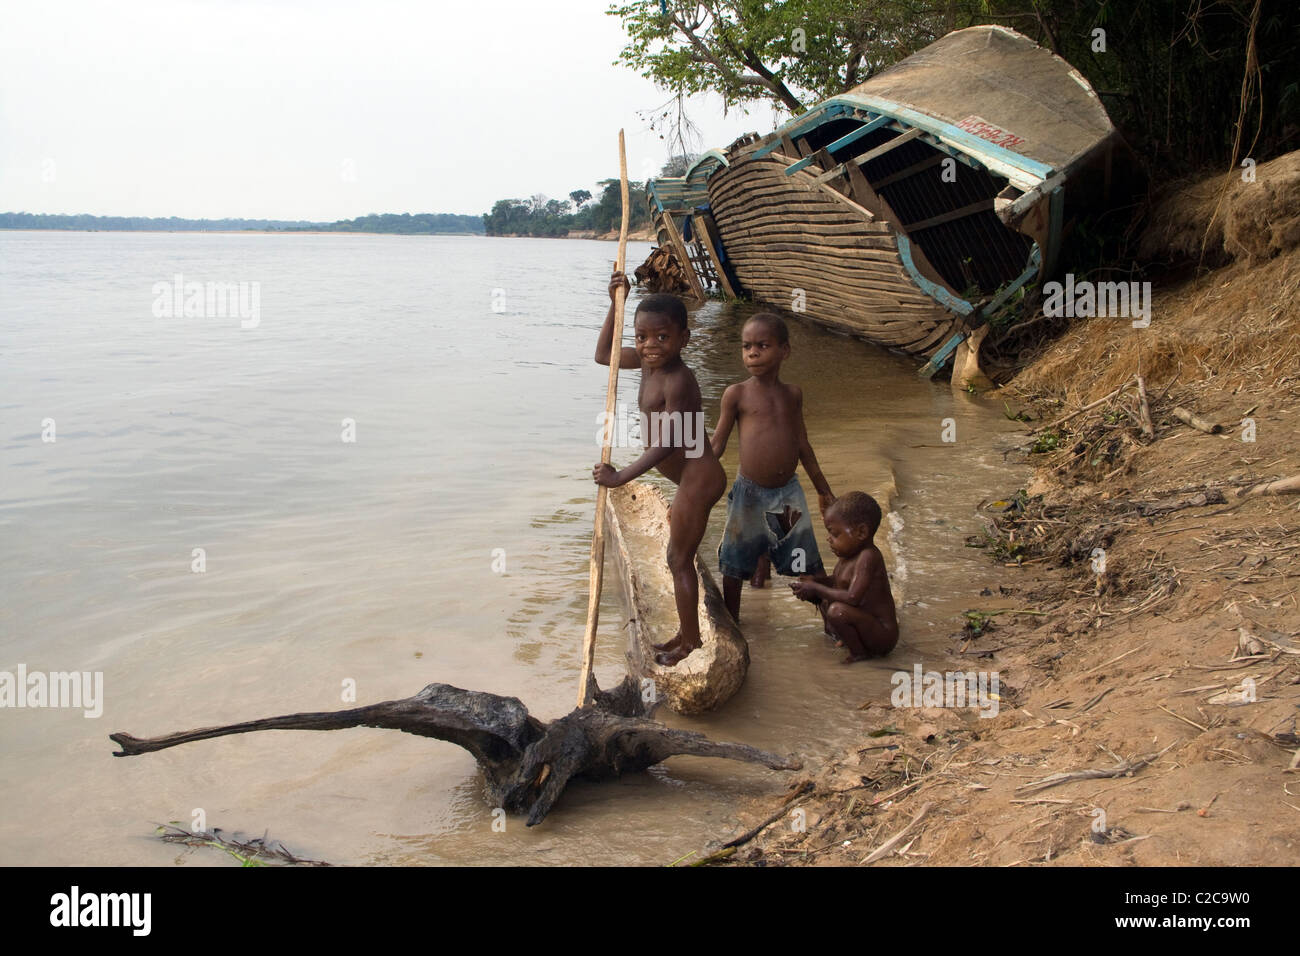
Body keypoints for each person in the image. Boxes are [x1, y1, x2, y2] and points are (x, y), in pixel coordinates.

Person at [593, 272, 726, 667]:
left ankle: (691, 643)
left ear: (683, 339)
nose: (650, 346)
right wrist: (616, 304)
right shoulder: (648, 363)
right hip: (686, 478)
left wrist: (620, 477)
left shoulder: (678, 380)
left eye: (662, 338)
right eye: (642, 337)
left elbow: (670, 442)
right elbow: (604, 355)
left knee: (677, 558)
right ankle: (686, 634)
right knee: (678, 556)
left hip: (698, 478)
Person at [710, 312, 834, 622]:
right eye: (746, 346)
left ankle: (834, 622)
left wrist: (824, 491)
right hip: (748, 495)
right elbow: (717, 445)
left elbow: (802, 444)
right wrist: (690, 491)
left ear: (784, 351)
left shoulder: (792, 394)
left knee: (807, 560)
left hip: (787, 495)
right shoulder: (736, 394)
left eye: (762, 345)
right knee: (734, 564)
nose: (752, 353)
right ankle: (733, 625)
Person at [791, 491, 898, 662]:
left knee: (837, 611)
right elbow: (836, 581)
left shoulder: (868, 557)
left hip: (882, 636)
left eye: (835, 534)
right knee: (825, 597)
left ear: (861, 532)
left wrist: (816, 587)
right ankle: (847, 640)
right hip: (864, 624)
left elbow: (852, 597)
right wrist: (812, 583)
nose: (829, 539)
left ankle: (860, 653)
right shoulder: (847, 557)